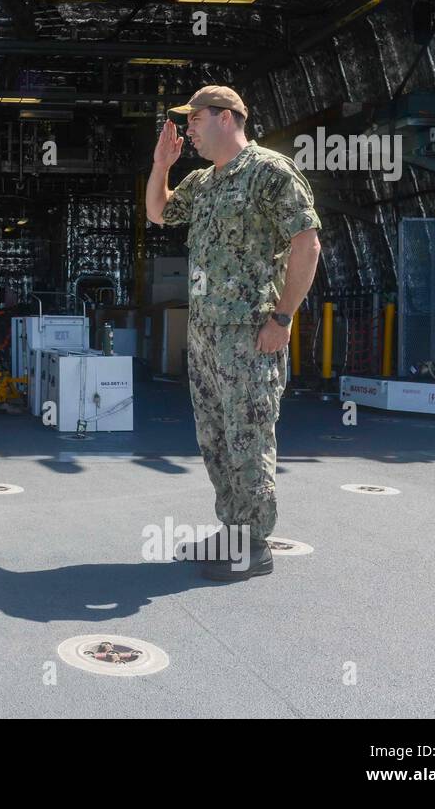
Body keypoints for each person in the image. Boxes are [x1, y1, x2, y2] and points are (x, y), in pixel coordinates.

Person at [145, 86, 322, 580]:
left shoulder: (270, 172)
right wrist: (162, 164)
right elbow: (158, 213)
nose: (189, 129)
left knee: (249, 434)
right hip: (205, 337)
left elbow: (307, 245)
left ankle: (254, 543)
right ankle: (231, 530)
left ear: (226, 118)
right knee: (215, 437)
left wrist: (282, 318)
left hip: (250, 333)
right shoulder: (204, 182)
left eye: (195, 119)